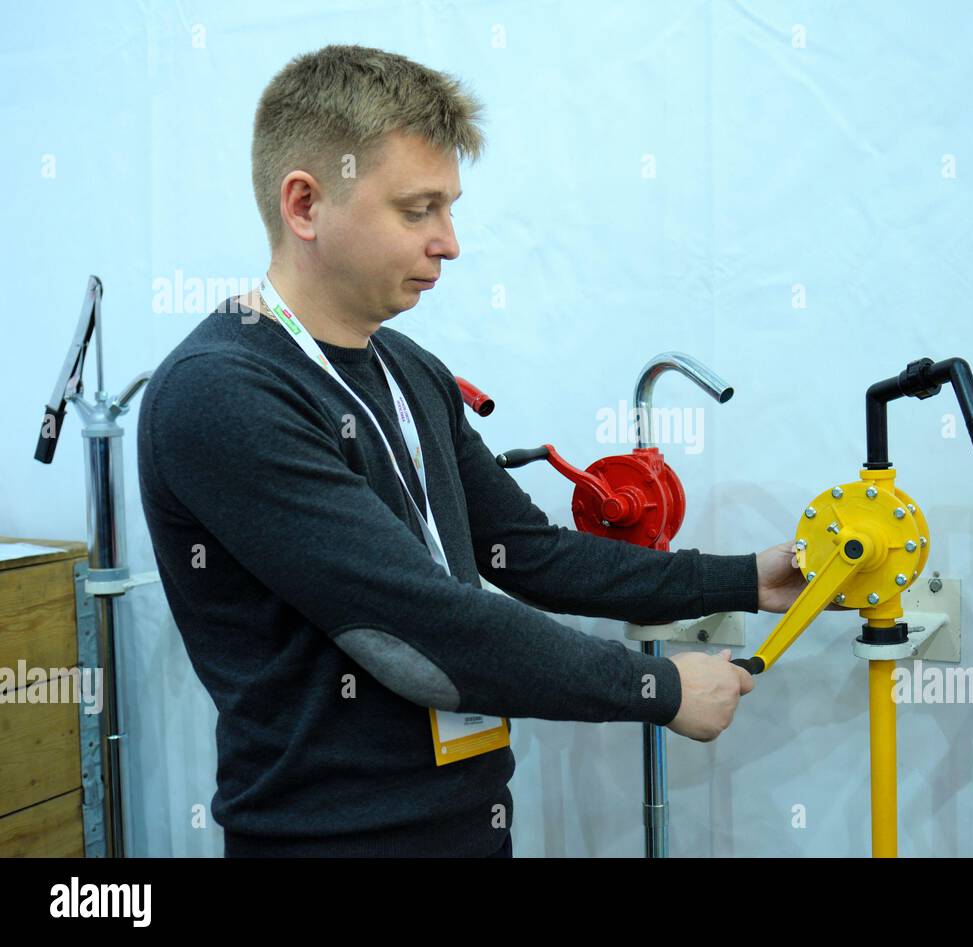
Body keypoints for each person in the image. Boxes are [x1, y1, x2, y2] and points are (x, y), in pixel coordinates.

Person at [138, 44, 811, 858]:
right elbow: (419, 629)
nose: (449, 242)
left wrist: (742, 577)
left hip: (470, 824)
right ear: (306, 204)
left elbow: (530, 555)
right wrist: (657, 687)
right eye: (417, 210)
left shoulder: (409, 370)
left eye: (450, 209)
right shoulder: (222, 393)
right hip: (325, 842)